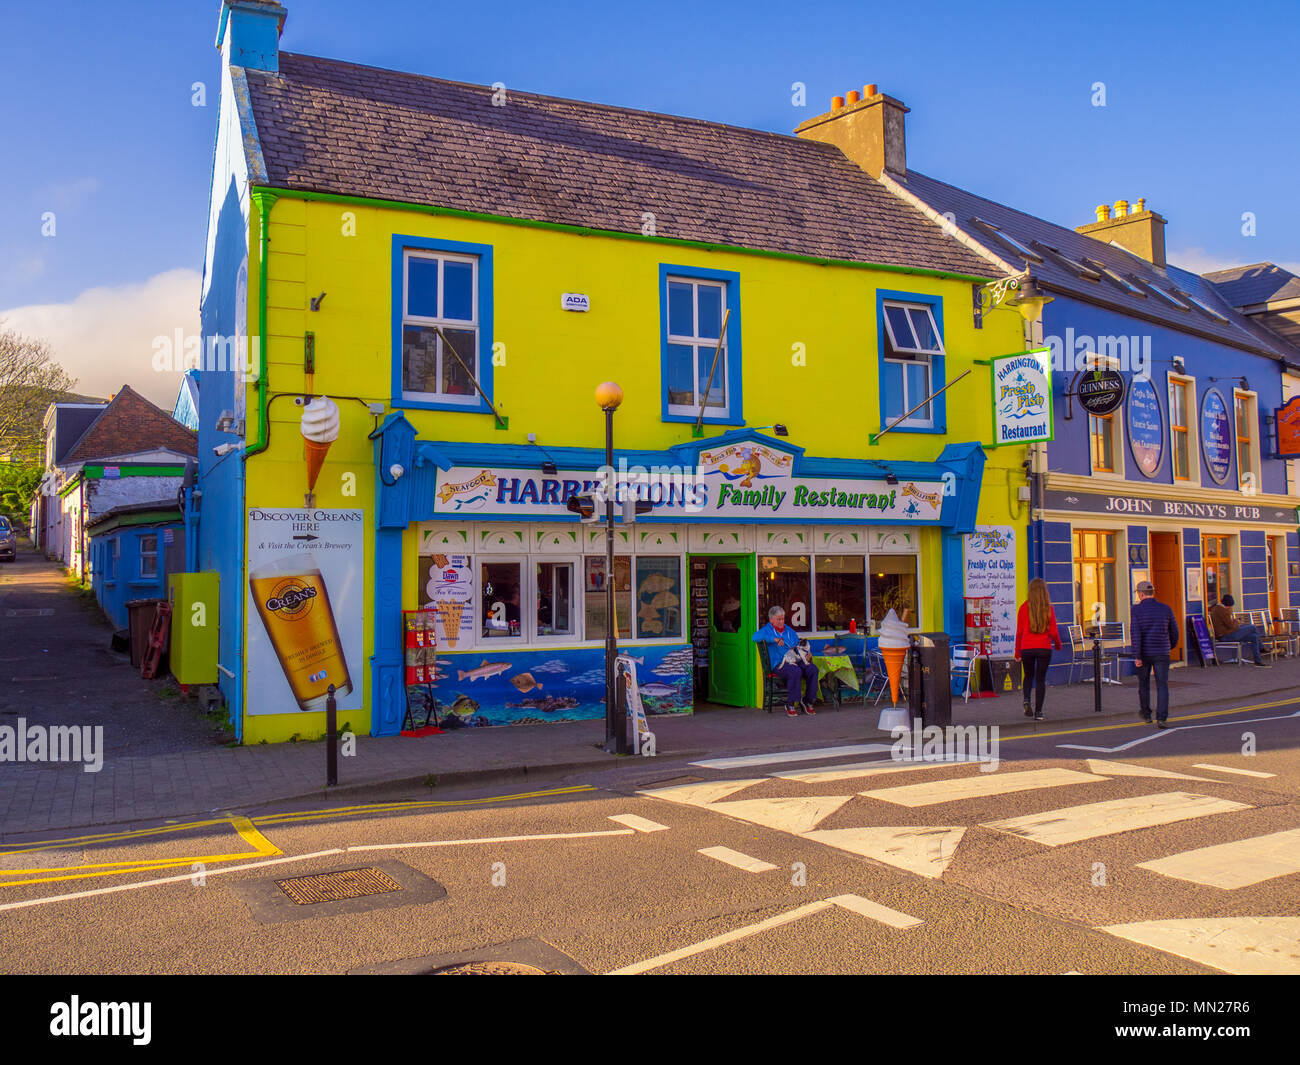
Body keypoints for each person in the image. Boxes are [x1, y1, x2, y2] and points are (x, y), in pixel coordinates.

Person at [752, 605, 817, 717]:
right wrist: (774, 639)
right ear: (771, 619)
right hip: (779, 664)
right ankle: (790, 703)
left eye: (783, 619)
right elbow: (755, 637)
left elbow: (797, 645)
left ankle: (808, 701)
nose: (781, 622)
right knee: (795, 671)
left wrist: (806, 654)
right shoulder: (767, 630)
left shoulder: (789, 631)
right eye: (779, 619)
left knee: (812, 669)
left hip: (795, 660)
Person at [1131, 580, 1180, 728]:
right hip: (1162, 652)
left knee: (1143, 684)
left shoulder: (1136, 610)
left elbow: (1136, 634)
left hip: (1144, 653)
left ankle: (1146, 714)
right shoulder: (1166, 609)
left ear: (1140, 594)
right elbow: (1175, 632)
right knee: (1162, 685)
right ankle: (1162, 718)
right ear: (1152, 593)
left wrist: (1137, 655)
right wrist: (1169, 646)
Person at [1014, 578, 1061, 721]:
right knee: (1040, 680)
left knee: (1028, 676)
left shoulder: (1023, 607)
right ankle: (1038, 712)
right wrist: (1058, 645)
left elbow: (1019, 632)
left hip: (1026, 648)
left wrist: (1017, 652)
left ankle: (1027, 700)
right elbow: (1053, 631)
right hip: (1044, 648)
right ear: (1044, 592)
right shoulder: (1048, 609)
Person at [1209, 594, 1267, 666]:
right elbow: (1230, 625)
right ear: (1227, 604)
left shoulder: (1216, 608)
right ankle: (1261, 648)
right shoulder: (1222, 611)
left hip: (1225, 634)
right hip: (1226, 636)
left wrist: (1235, 623)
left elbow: (1229, 625)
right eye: (1230, 606)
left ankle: (1258, 661)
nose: (1231, 608)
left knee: (1254, 637)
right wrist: (1236, 622)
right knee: (1253, 627)